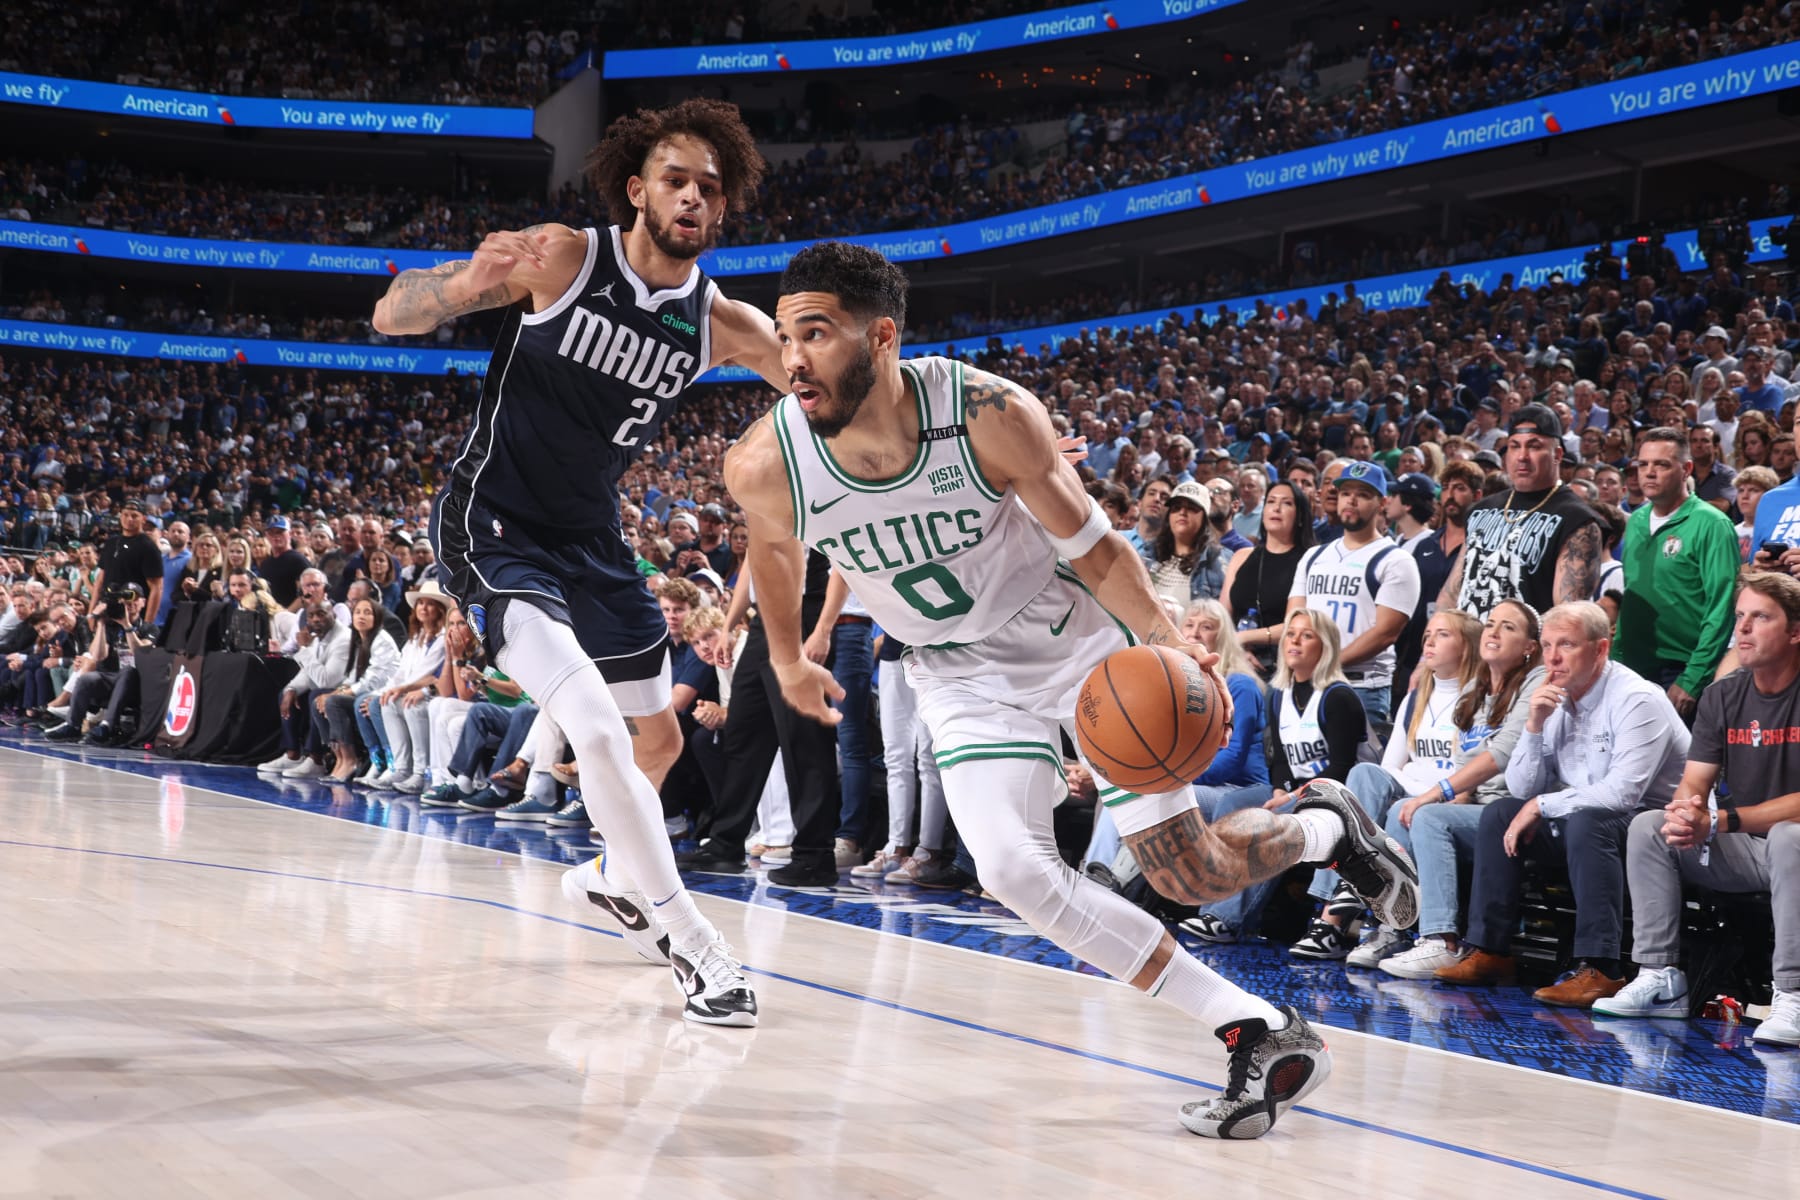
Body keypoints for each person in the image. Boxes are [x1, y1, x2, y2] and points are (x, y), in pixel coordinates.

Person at [726, 242, 1417, 1140]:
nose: (791, 360)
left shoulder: (988, 413)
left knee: (1191, 873)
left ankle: (1327, 823)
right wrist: (786, 658)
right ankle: (1256, 1027)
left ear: (882, 335)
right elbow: (773, 553)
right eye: (783, 337)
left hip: (1074, 643)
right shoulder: (764, 462)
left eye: (813, 335)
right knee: (1015, 871)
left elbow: (1094, 549)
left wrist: (1169, 643)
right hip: (956, 674)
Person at [372, 98, 787, 1027]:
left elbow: (834, 380)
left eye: (710, 190)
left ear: (721, 213)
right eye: (676, 180)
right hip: (495, 522)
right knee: (595, 734)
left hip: (593, 540)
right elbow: (391, 313)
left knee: (660, 742)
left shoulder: (721, 322)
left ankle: (612, 873)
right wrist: (458, 283)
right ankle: (695, 942)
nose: (693, 198)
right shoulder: (564, 256)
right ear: (638, 190)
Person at [1436, 602, 1689, 1009]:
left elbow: (1623, 793)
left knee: (1588, 823)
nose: (1552, 658)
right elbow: (1520, 787)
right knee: (1500, 813)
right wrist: (1534, 726)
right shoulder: (1553, 698)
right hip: (1585, 820)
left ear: (1601, 649)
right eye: (1548, 645)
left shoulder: (1637, 698)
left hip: (1658, 825)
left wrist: (1541, 803)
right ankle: (1491, 950)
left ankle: (1601, 967)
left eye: (1567, 645)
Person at [1594, 571, 1799, 1045]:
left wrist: (1723, 820)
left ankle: (1793, 993)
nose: (1743, 629)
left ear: (1795, 631)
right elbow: (1695, 780)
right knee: (1650, 826)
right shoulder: (1724, 694)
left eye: (1760, 617)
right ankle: (1661, 977)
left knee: (1790, 836)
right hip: (1750, 849)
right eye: (1740, 617)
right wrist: (1688, 813)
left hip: (1790, 844)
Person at [1181, 607, 1377, 946]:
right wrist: (1278, 788)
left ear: (1325, 647)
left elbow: (1341, 768)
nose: (1295, 641)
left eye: (1307, 635)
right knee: (1232, 803)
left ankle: (1228, 919)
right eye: (1291, 634)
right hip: (1292, 792)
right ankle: (1212, 909)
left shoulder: (1339, 697)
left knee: (1266, 824)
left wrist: (1291, 796)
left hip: (1334, 799)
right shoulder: (1279, 694)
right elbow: (1281, 757)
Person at [1379, 600, 1545, 979]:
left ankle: (1441, 940)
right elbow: (1462, 762)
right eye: (1490, 624)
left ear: (1529, 647)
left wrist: (1434, 794)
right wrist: (1453, 794)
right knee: (1400, 814)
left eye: (1508, 627)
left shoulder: (1536, 681)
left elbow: (1501, 755)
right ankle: (1393, 928)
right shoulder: (1476, 687)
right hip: (1478, 808)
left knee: (1429, 815)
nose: (1494, 632)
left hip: (1514, 807)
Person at [1614, 428, 1740, 719]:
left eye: (1661, 464)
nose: (1649, 473)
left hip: (1681, 670)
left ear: (1686, 469)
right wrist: (1615, 660)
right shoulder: (1636, 521)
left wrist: (1693, 678)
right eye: (1643, 464)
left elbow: (1721, 608)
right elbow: (1631, 597)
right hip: (1632, 669)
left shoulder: (1712, 524)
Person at [1286, 461, 1420, 725]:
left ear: (1382, 503)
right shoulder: (1314, 556)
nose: (1351, 500)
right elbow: (1294, 619)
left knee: (1357, 767)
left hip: (1361, 687)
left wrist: (1325, 663)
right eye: (1346, 492)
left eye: (1363, 494)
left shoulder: (1396, 560)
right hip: (1307, 683)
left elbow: (1385, 633)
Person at [1439, 404, 1603, 621]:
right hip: (1469, 649)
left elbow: (1567, 617)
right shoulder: (1481, 510)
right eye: (1515, 446)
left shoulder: (1577, 521)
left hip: (1527, 652)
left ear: (1557, 454)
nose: (1522, 456)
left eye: (1534, 447)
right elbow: (1453, 591)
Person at [1223, 481, 1312, 676]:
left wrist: (1243, 637)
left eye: (1287, 503)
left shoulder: (1308, 561)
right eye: (1271, 501)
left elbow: (1296, 624)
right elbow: (1222, 616)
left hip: (1282, 666)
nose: (1277, 508)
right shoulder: (1241, 556)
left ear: (1299, 517)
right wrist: (1238, 649)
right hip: (1235, 658)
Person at [1141, 480, 1227, 606]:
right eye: (1176, 508)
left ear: (1204, 518)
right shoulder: (1149, 552)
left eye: (1191, 508)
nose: (1182, 512)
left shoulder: (1217, 560)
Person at [90, 501, 163, 632]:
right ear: (120, 516)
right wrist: (91, 614)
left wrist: (146, 625)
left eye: (134, 516)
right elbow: (100, 581)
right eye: (125, 515)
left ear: (143, 519)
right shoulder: (111, 543)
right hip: (107, 612)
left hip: (133, 616)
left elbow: (156, 588)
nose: (129, 519)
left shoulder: (148, 547)